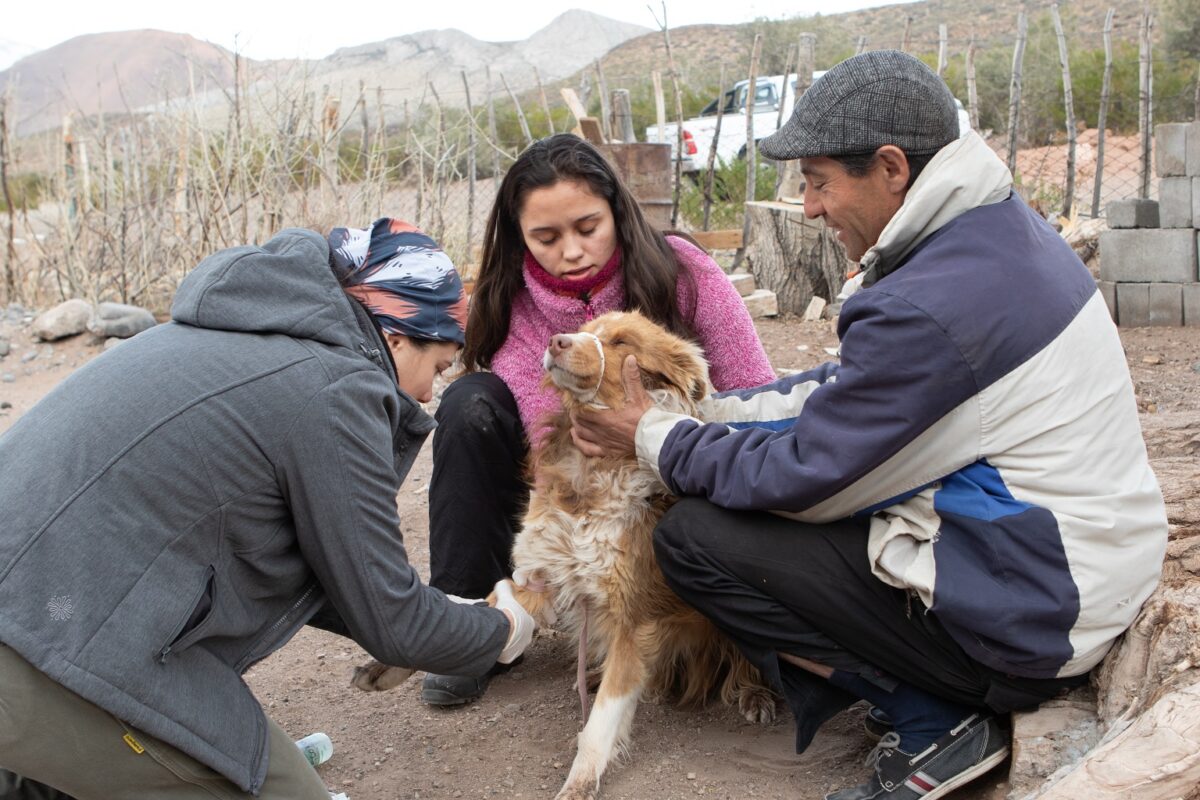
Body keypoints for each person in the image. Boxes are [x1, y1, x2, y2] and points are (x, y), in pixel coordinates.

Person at [571, 51, 1168, 800]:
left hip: (1033, 619)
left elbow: (805, 480)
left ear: (890, 167)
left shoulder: (928, 306)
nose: (810, 207)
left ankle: (933, 720)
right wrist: (701, 413)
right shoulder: (993, 234)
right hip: (1077, 565)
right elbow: (843, 396)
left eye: (819, 181)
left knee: (696, 539)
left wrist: (655, 439)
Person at [0, 218, 536, 799]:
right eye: (436, 366)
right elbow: (394, 622)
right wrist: (502, 628)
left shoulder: (239, 336)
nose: (430, 394)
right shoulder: (337, 387)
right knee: (277, 787)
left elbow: (336, 571)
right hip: (52, 644)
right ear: (397, 335)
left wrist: (433, 616)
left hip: (41, 615)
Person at [421, 133, 777, 705]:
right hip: (567, 455)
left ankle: (711, 629)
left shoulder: (682, 270)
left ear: (617, 210)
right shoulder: (510, 295)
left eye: (588, 227)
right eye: (546, 237)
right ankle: (466, 630)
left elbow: (753, 389)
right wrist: (569, 518)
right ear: (519, 238)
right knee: (469, 405)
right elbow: (544, 419)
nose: (571, 251)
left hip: (676, 461)